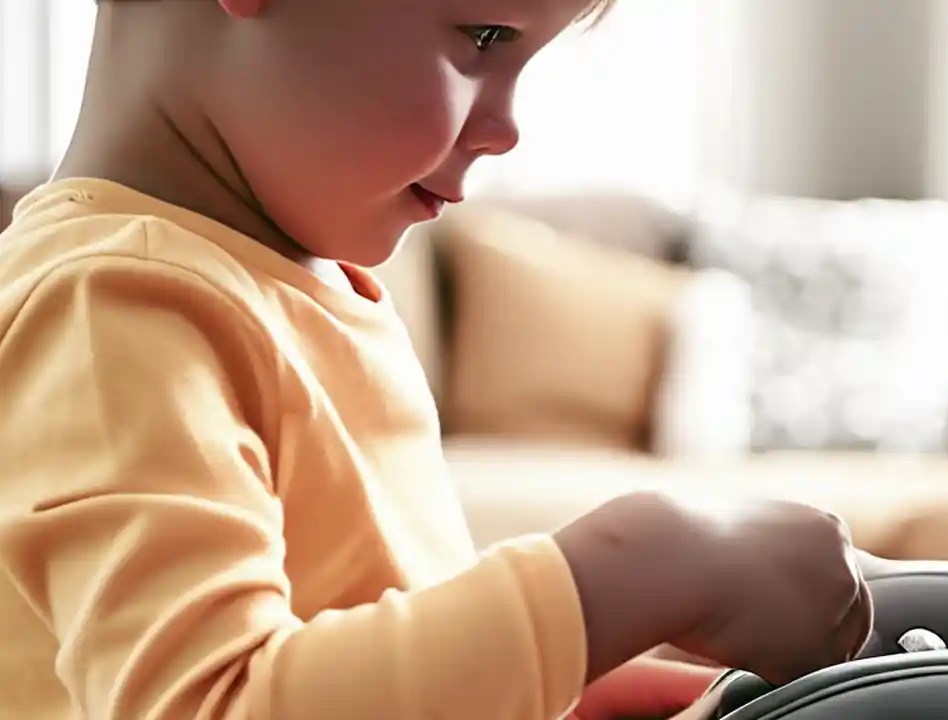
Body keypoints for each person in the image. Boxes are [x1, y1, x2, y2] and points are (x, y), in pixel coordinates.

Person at [0, 1, 872, 718]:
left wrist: (569, 688)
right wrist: (646, 565)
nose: (507, 130)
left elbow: (353, 643)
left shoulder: (290, 285)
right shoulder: (112, 302)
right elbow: (214, 704)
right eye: (485, 37)